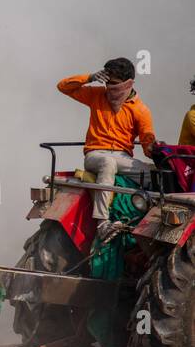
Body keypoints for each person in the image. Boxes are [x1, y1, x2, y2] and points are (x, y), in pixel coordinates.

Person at [57, 59, 157, 231]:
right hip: (95, 155)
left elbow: (148, 146)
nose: (110, 88)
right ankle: (102, 222)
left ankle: (148, 224)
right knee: (108, 163)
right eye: (108, 83)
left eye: (115, 84)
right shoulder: (96, 95)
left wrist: (156, 149)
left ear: (128, 84)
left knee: (157, 176)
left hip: (123, 158)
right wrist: (90, 77)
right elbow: (63, 86)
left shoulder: (141, 110)